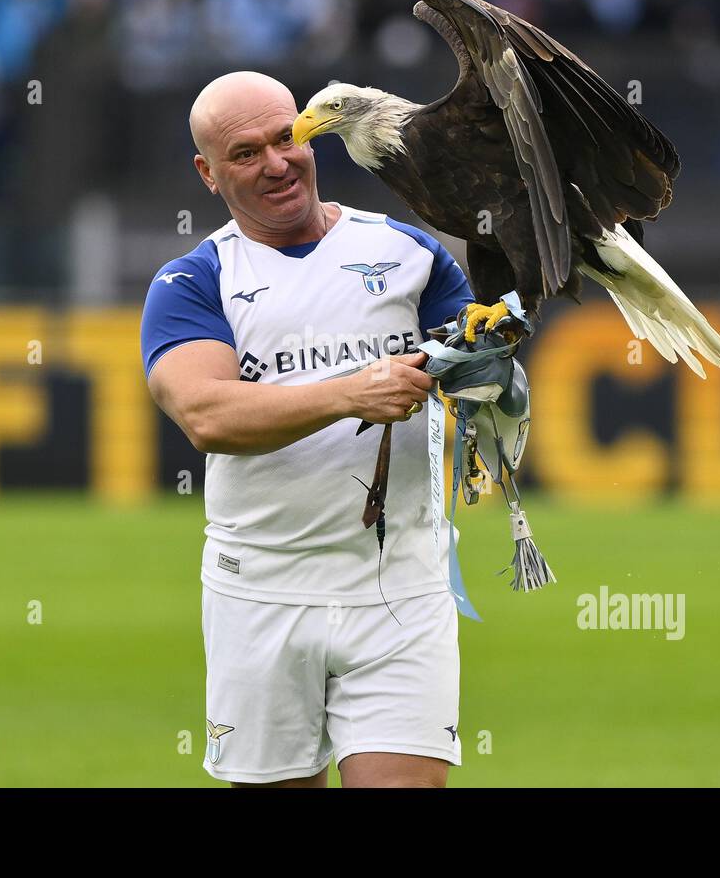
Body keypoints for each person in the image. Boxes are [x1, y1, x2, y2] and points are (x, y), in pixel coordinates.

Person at [140, 71, 474, 788]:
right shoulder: (192, 282)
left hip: (399, 585)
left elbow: (478, 365)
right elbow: (207, 414)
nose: (277, 162)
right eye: (245, 153)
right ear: (207, 172)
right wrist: (352, 393)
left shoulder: (410, 254)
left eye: (286, 138)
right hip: (258, 590)